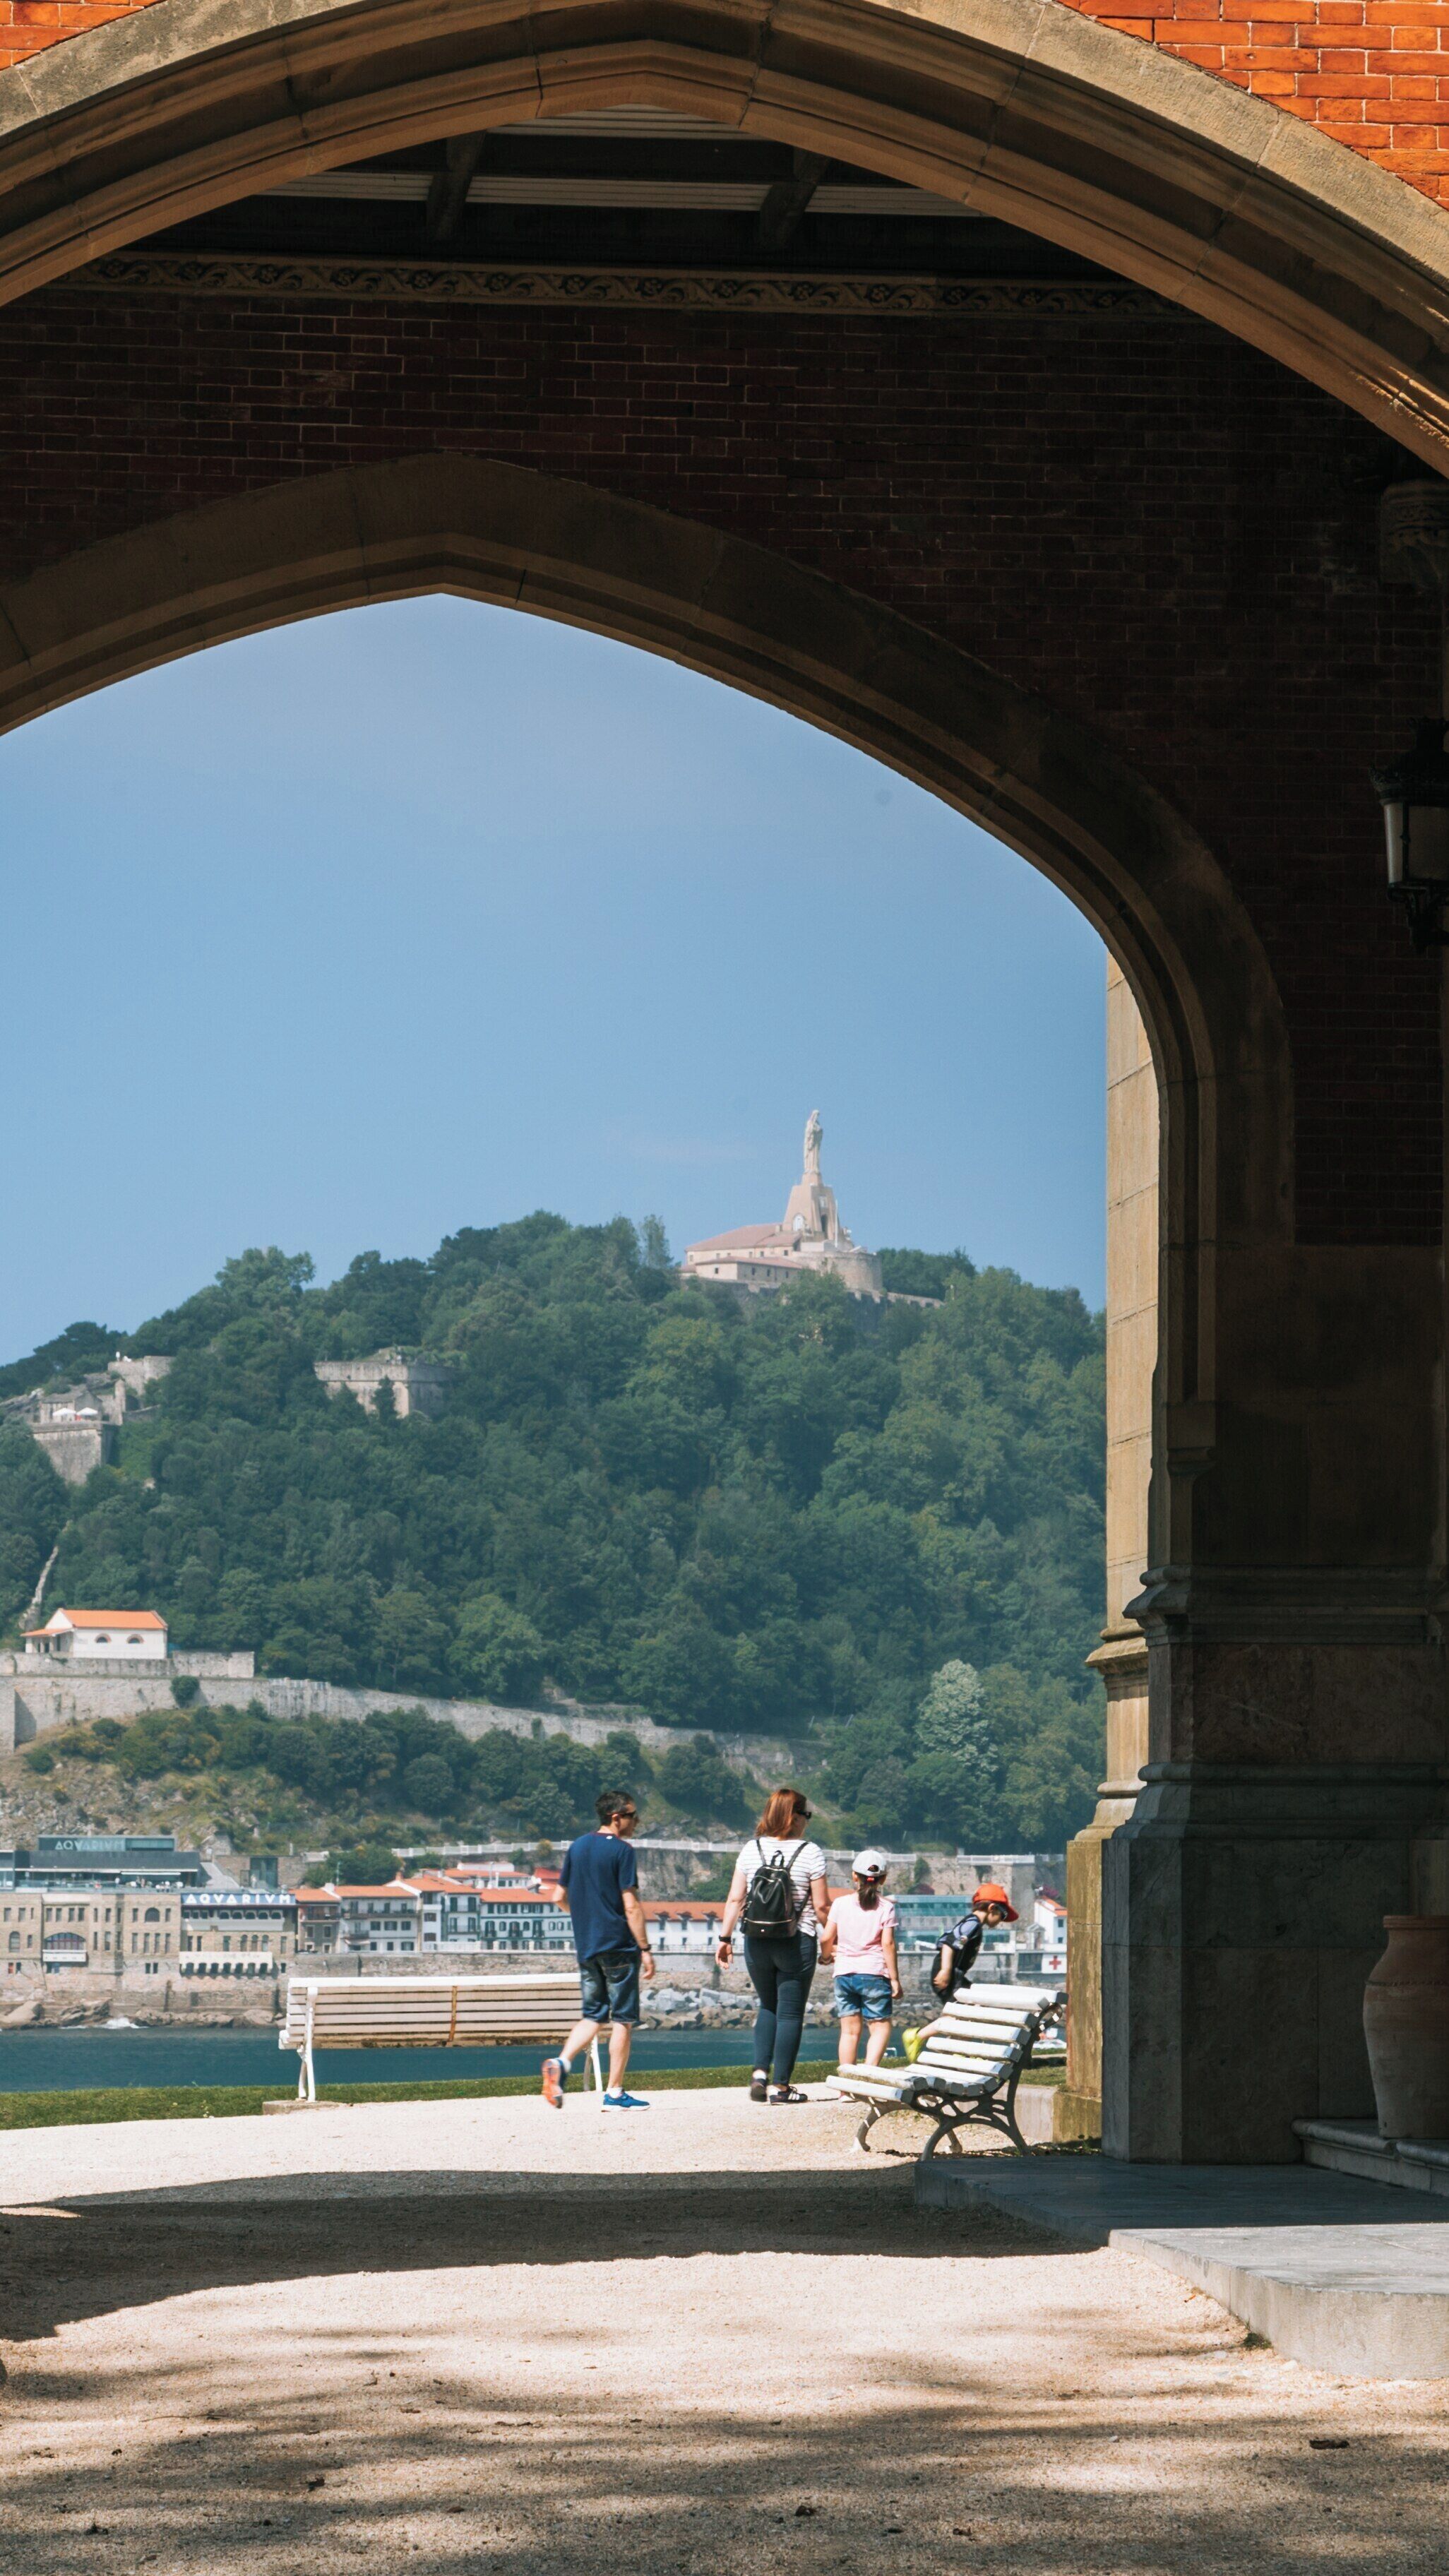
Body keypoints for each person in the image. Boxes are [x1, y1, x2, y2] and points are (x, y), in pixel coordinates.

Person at [542, 1788, 656, 2111]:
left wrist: (585, 1917)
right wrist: (645, 1948)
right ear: (616, 1817)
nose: (637, 1821)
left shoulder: (577, 1847)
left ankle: (561, 2062)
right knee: (623, 2019)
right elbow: (631, 1905)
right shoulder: (623, 1851)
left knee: (593, 2015)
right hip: (619, 1944)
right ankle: (615, 2093)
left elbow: (558, 1898)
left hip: (588, 1945)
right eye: (633, 1815)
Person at [716, 1787, 829, 2104]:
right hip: (796, 1940)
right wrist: (831, 1940)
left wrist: (725, 1939)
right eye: (805, 1815)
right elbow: (821, 1907)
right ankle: (781, 2088)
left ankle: (759, 2075)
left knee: (767, 2005)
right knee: (790, 2015)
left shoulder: (751, 1849)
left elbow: (736, 1898)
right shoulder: (810, 1852)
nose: (807, 1822)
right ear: (794, 1817)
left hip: (756, 1941)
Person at [820, 1849, 901, 2068]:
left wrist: (826, 1957)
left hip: (844, 1973)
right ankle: (868, 2074)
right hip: (874, 1972)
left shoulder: (840, 1904)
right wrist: (894, 1979)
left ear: (854, 1876)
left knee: (849, 2032)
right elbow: (888, 1944)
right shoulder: (887, 1907)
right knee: (880, 2027)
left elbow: (826, 1937)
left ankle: (846, 2088)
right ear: (883, 1879)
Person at [930, 1879, 1018, 2000]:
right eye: (1003, 1915)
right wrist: (945, 1971)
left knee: (974, 2002)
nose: (1001, 1920)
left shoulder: (974, 1925)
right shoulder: (973, 1924)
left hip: (956, 1975)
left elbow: (957, 1944)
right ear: (992, 1908)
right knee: (961, 2007)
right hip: (948, 1974)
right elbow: (949, 1944)